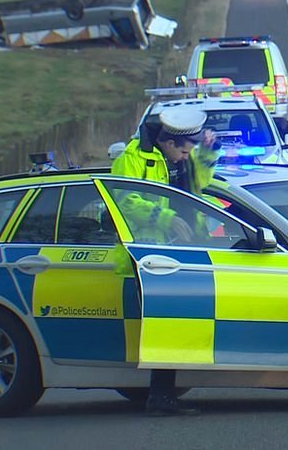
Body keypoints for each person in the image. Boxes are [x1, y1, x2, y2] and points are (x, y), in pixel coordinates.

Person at [111, 105, 219, 417]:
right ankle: (160, 397)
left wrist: (208, 152)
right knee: (163, 327)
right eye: (184, 152)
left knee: (172, 325)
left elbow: (201, 184)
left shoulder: (180, 160)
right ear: (168, 143)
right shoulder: (132, 159)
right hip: (148, 259)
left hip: (183, 253)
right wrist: (166, 218)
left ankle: (162, 395)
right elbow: (125, 201)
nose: (186, 158)